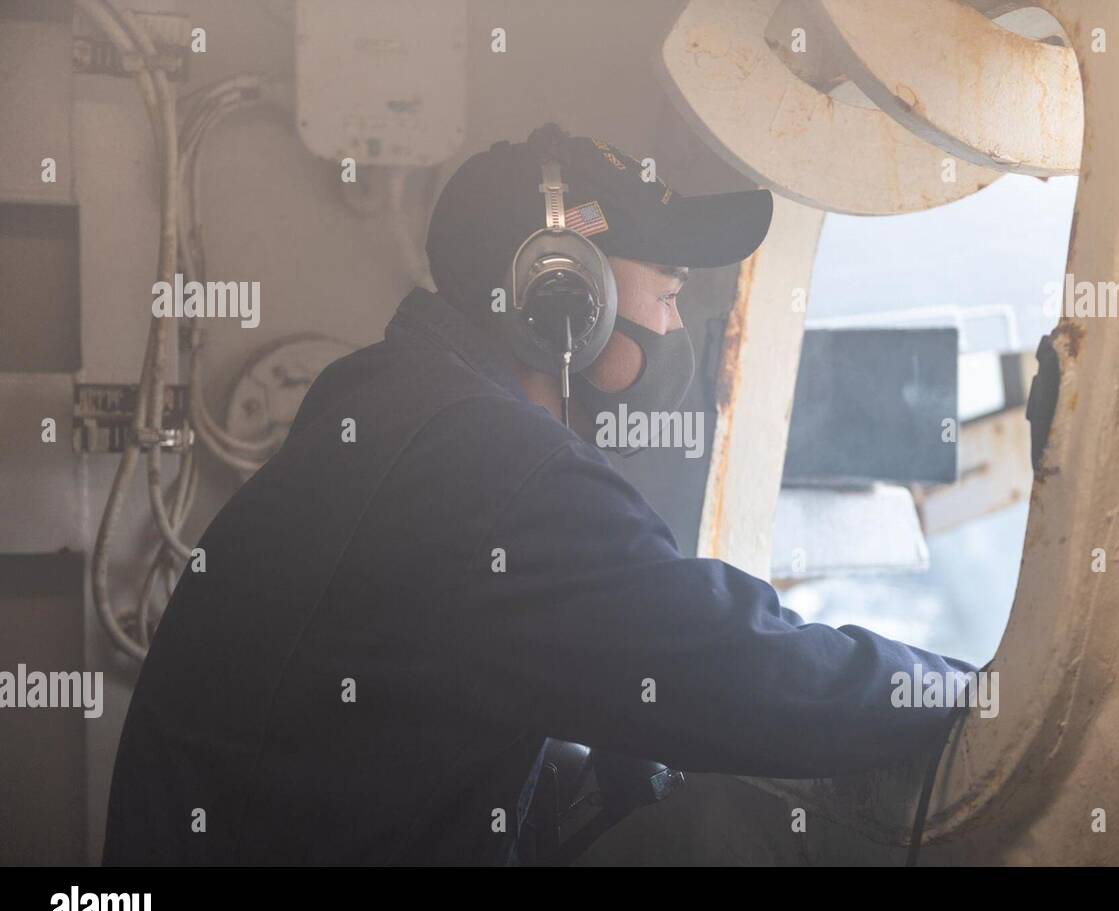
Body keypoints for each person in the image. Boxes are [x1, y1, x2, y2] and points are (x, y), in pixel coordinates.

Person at [103, 125, 973, 865]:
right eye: (666, 291)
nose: (675, 323)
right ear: (562, 291)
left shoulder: (395, 408)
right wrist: (951, 691)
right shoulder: (489, 466)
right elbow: (739, 668)